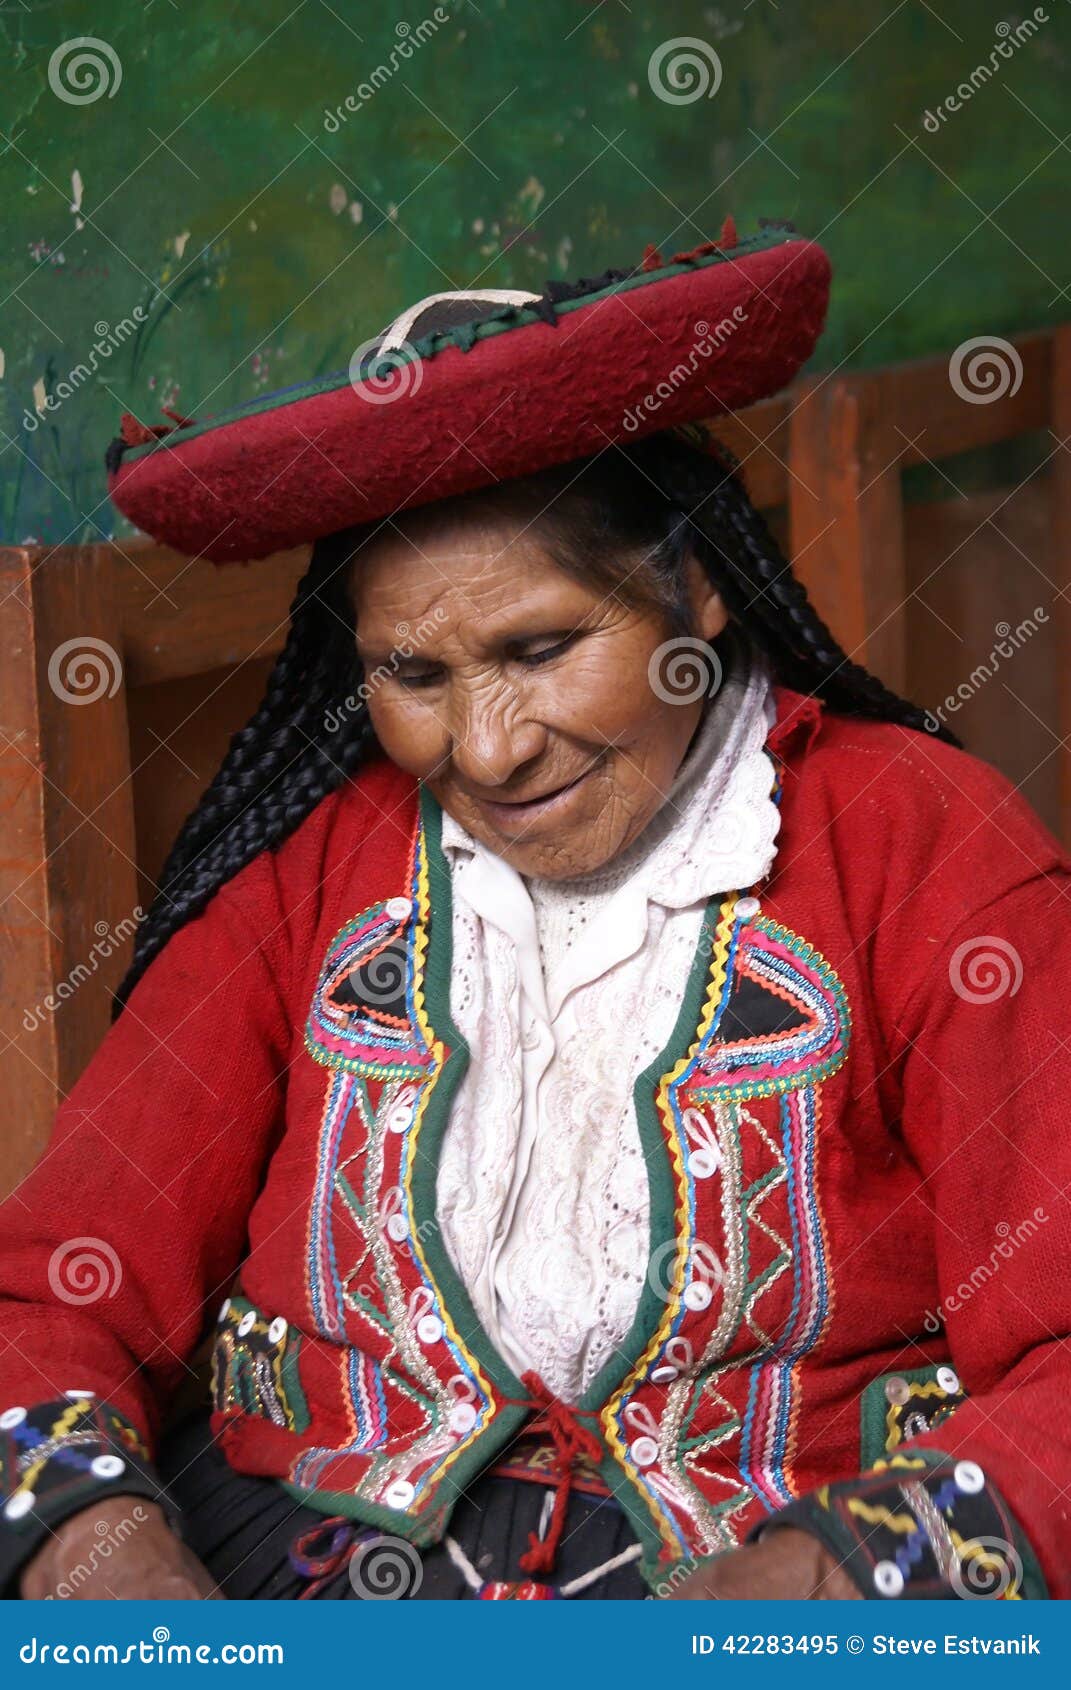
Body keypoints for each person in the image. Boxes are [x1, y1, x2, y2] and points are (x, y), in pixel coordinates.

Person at [1, 226, 1067, 1603]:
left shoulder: (927, 846)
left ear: (701, 586)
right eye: (414, 672)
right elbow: (54, 1294)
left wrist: (830, 1577)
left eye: (543, 648)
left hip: (781, 1572)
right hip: (293, 1564)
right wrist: (100, 1549)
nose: (490, 748)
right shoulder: (311, 870)